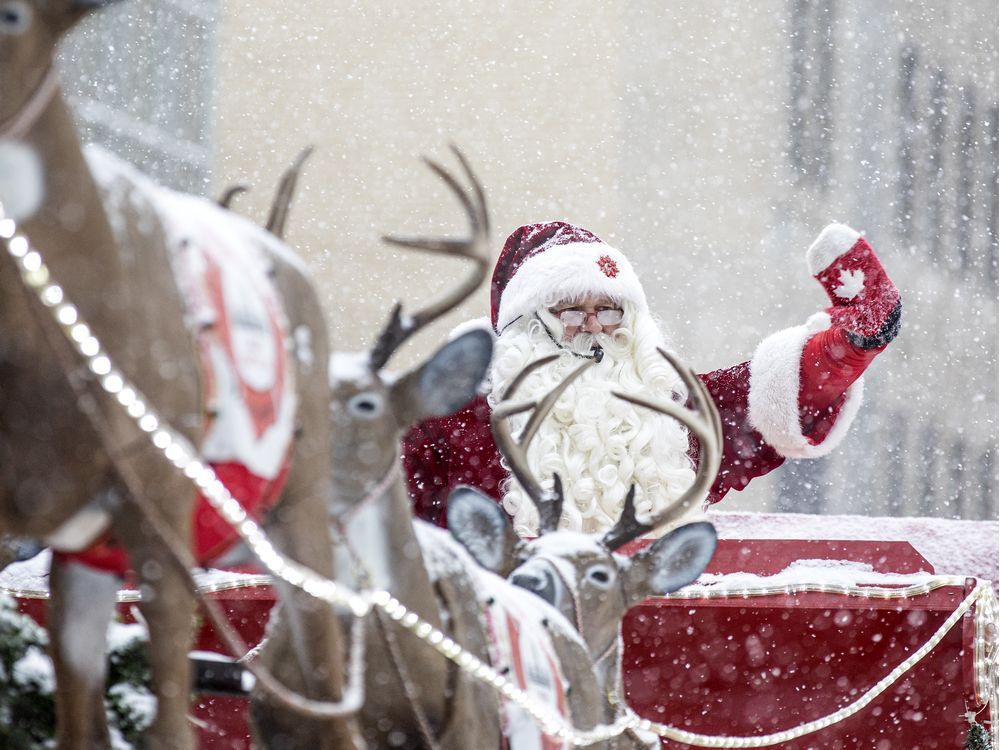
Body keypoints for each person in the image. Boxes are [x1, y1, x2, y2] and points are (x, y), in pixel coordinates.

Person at [402, 221, 900, 536]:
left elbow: (772, 392)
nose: (595, 326)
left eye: (610, 310)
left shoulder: (666, 414)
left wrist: (850, 343)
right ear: (525, 325)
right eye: (570, 311)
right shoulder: (449, 425)